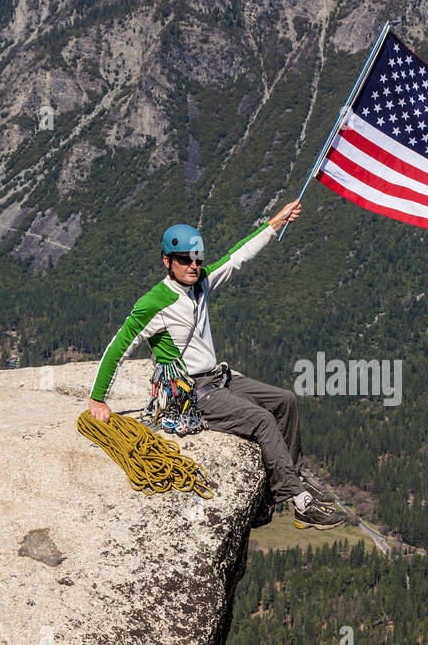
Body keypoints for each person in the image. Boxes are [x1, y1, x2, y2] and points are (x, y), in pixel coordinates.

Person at [87, 200, 344, 529]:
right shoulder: (155, 302)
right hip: (189, 394)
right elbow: (118, 346)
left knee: (286, 401)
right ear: (167, 261)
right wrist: (98, 397)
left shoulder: (202, 282)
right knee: (263, 420)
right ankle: (299, 501)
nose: (193, 266)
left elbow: (237, 257)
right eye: (184, 260)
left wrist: (276, 223)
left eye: (197, 259)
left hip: (218, 379)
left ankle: (287, 482)